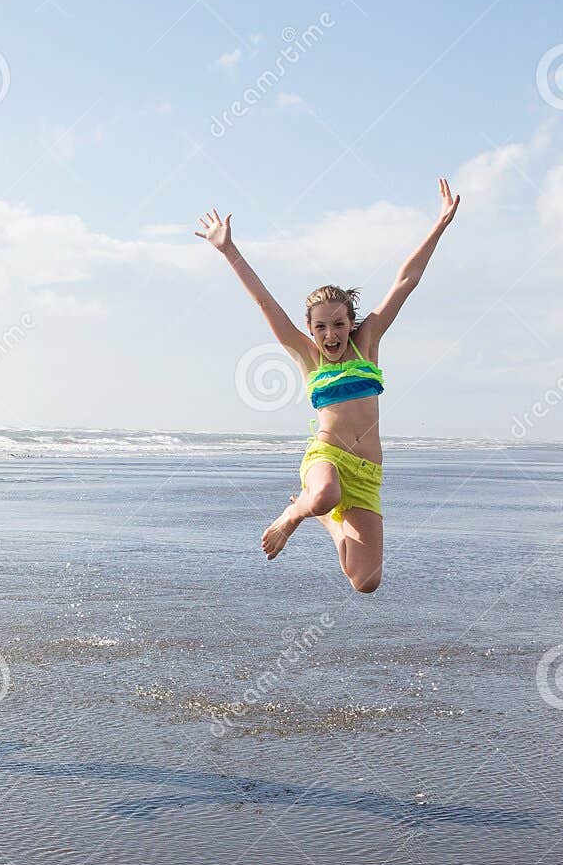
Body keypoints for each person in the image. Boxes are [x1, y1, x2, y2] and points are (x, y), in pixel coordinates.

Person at [196, 179, 459, 592]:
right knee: (321, 496)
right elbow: (265, 302)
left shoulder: (367, 341)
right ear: (310, 329)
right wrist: (229, 250)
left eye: (339, 324)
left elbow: (406, 280)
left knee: (365, 581)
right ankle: (296, 513)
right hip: (327, 457)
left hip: (367, 472)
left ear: (350, 323)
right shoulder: (308, 356)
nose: (331, 335)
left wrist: (440, 224)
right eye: (321, 327)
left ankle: (326, 519)